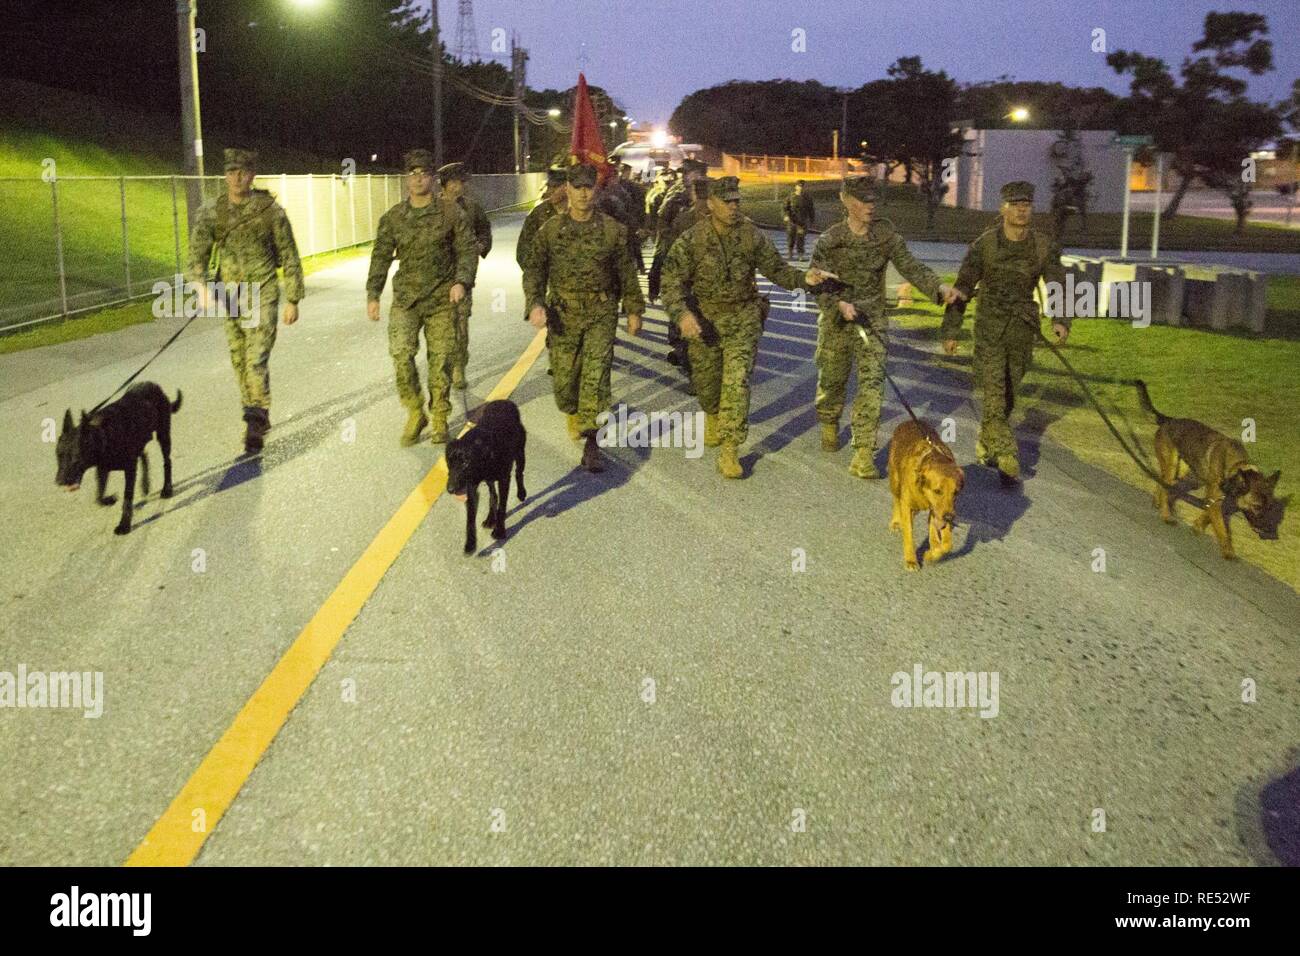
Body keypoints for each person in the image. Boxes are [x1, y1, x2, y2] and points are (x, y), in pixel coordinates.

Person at [661, 175, 835, 479]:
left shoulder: (751, 235)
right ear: (711, 203)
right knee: (707, 384)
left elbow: (777, 270)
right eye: (726, 201)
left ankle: (731, 448)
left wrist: (805, 279)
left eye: (736, 201)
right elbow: (671, 281)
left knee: (737, 382)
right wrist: (683, 315)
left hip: (743, 318)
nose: (732, 206)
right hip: (705, 322)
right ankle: (712, 413)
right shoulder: (692, 238)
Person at [809, 177, 962, 478]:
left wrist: (939, 287)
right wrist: (838, 305)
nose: (870, 206)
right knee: (832, 380)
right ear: (845, 200)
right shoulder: (830, 239)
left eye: (873, 200)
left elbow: (910, 266)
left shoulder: (886, 235)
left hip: (873, 316)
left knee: (872, 384)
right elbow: (817, 284)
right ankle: (829, 418)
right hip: (837, 318)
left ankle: (863, 452)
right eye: (863, 200)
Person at [941, 180, 1069, 484]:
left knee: (1009, 393)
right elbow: (962, 287)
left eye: (1026, 205)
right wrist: (951, 330)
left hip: (1022, 330)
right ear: (1004, 208)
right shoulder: (984, 245)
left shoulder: (1042, 245)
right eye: (1015, 205)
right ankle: (1007, 456)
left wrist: (1061, 319)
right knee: (995, 394)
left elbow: (1057, 285)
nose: (1022, 211)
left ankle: (987, 442)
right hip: (989, 329)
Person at [522, 164, 645, 473]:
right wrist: (535, 303)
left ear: (596, 189)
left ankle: (593, 440)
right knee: (565, 384)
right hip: (563, 314)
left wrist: (633, 309)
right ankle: (574, 411)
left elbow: (626, 272)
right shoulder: (551, 229)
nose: (582, 193)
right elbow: (535, 269)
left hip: (600, 312)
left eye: (588, 187)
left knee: (596, 373)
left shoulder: (612, 230)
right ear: (567, 188)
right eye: (576, 187)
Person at [186, 147, 303, 455]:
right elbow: (195, 256)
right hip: (231, 298)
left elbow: (289, 255)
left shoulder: (270, 211)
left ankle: (256, 418)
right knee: (239, 360)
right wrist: (201, 288)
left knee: (256, 358)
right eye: (231, 172)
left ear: (253, 175)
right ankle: (253, 410)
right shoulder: (213, 212)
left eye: (243, 172)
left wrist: (293, 298)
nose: (237, 177)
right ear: (225, 175)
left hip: (263, 293)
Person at [366, 149, 476, 446]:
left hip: (443, 298)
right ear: (406, 178)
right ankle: (415, 410)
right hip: (407, 298)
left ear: (432, 178)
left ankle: (439, 416)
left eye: (423, 173)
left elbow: (467, 249)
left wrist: (462, 282)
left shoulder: (451, 212)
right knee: (401, 355)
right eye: (412, 173)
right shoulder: (394, 218)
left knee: (440, 359)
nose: (417, 179)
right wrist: (373, 293)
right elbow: (380, 257)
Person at [438, 162, 492, 389]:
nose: (458, 187)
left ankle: (459, 367)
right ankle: (441, 370)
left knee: (460, 324)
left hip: (462, 276)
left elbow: (484, 231)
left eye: (461, 183)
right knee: (440, 328)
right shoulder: (433, 208)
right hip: (436, 278)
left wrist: (479, 246)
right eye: (453, 183)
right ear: (444, 185)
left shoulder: (472, 208)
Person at [516, 167, 568, 269]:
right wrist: (535, 275)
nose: (550, 191)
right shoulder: (538, 214)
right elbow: (523, 250)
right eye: (549, 187)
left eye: (555, 187)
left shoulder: (578, 213)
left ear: (567, 187)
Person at [783, 179, 816, 258]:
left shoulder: (807, 198)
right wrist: (785, 215)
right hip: (792, 221)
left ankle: (800, 254)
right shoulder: (791, 197)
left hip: (802, 221)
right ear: (796, 187)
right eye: (799, 186)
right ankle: (790, 252)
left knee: (800, 238)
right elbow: (785, 208)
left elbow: (811, 209)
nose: (801, 188)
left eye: (802, 186)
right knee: (791, 238)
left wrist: (812, 219)